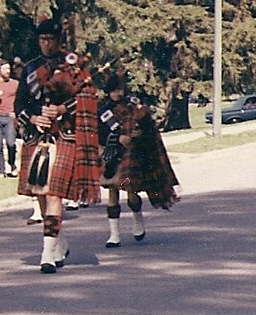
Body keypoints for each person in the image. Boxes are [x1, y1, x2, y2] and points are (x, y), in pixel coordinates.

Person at [15, 17, 101, 273]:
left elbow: (87, 96)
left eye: (50, 39)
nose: (46, 44)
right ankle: (58, 240)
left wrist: (62, 108)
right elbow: (20, 105)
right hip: (37, 136)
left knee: (54, 193)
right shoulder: (30, 69)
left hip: (64, 135)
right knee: (40, 193)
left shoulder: (73, 66)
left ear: (58, 40)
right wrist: (33, 117)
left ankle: (47, 253)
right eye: (42, 39)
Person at [98, 74, 179, 247]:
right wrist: (118, 137)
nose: (118, 93)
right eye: (114, 90)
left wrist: (140, 134)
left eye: (120, 89)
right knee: (112, 193)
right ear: (108, 92)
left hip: (130, 156)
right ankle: (114, 234)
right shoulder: (103, 110)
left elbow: (148, 127)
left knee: (130, 191)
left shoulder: (132, 106)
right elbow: (98, 134)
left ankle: (137, 219)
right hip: (111, 157)